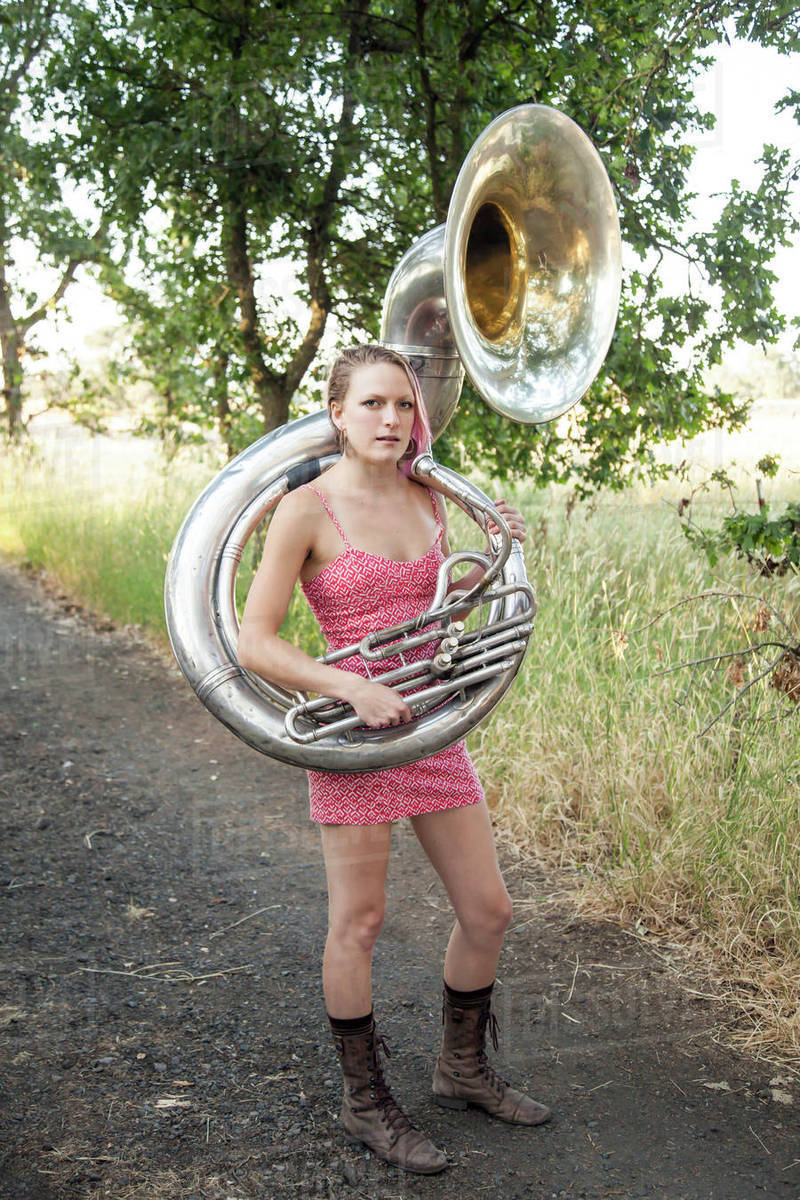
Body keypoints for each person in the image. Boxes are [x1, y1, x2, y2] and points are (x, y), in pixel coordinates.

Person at [237, 344, 550, 1176]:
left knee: (490, 912)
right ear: (337, 413)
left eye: (405, 407)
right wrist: (348, 687)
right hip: (353, 735)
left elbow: (443, 606)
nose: (391, 421)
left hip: (431, 723)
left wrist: (494, 559)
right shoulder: (305, 510)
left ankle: (460, 1069)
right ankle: (365, 1102)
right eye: (373, 405)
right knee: (361, 923)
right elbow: (255, 641)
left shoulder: (433, 498)